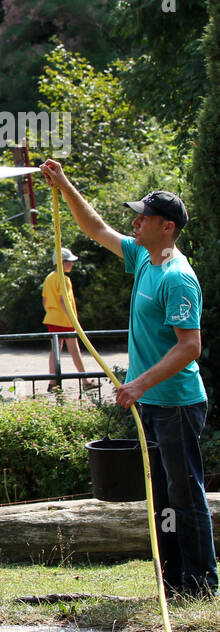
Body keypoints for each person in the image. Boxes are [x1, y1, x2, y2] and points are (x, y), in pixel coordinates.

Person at [42, 160, 215, 598]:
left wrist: (139, 384)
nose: (134, 222)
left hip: (176, 402)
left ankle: (203, 581)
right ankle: (174, 579)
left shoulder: (178, 278)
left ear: (167, 227)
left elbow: (190, 347)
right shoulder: (143, 256)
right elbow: (96, 228)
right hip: (153, 402)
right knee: (160, 494)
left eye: (143, 217)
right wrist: (64, 184)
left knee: (185, 492)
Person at [42, 247, 93, 393]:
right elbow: (64, 300)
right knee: (74, 350)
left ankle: (53, 383)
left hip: (52, 318)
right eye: (69, 262)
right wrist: (72, 320)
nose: (72, 264)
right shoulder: (64, 279)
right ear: (61, 262)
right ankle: (85, 380)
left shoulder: (49, 278)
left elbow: (45, 301)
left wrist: (52, 313)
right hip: (64, 320)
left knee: (55, 351)